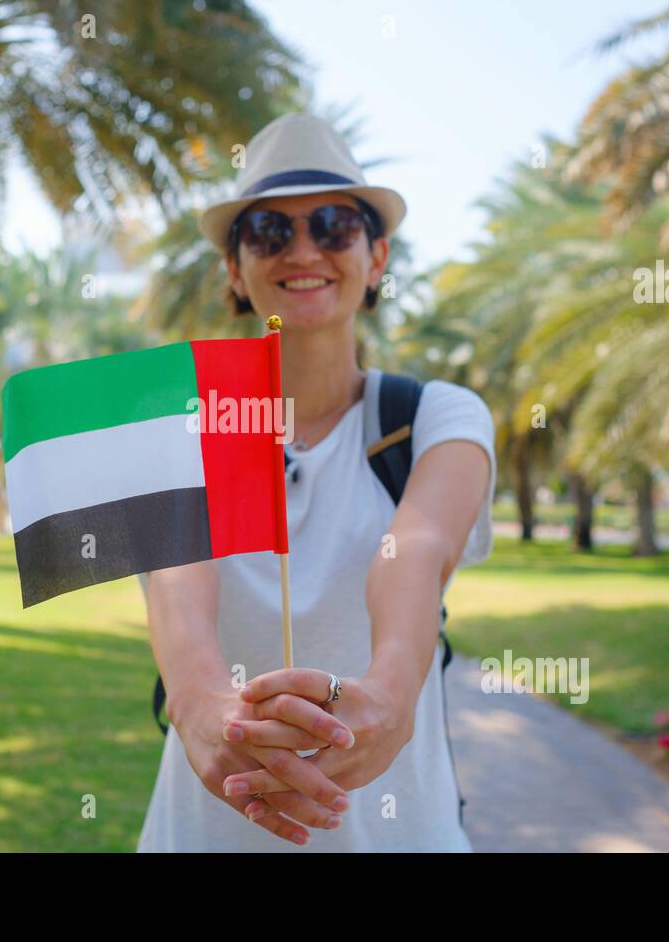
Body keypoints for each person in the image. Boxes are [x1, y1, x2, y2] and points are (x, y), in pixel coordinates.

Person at [136, 113, 496, 851]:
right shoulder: (181, 426)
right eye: (269, 231)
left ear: (377, 255)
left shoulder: (434, 417)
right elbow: (177, 589)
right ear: (235, 270)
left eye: (333, 226)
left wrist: (389, 703)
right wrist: (200, 705)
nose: (303, 250)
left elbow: (417, 553)